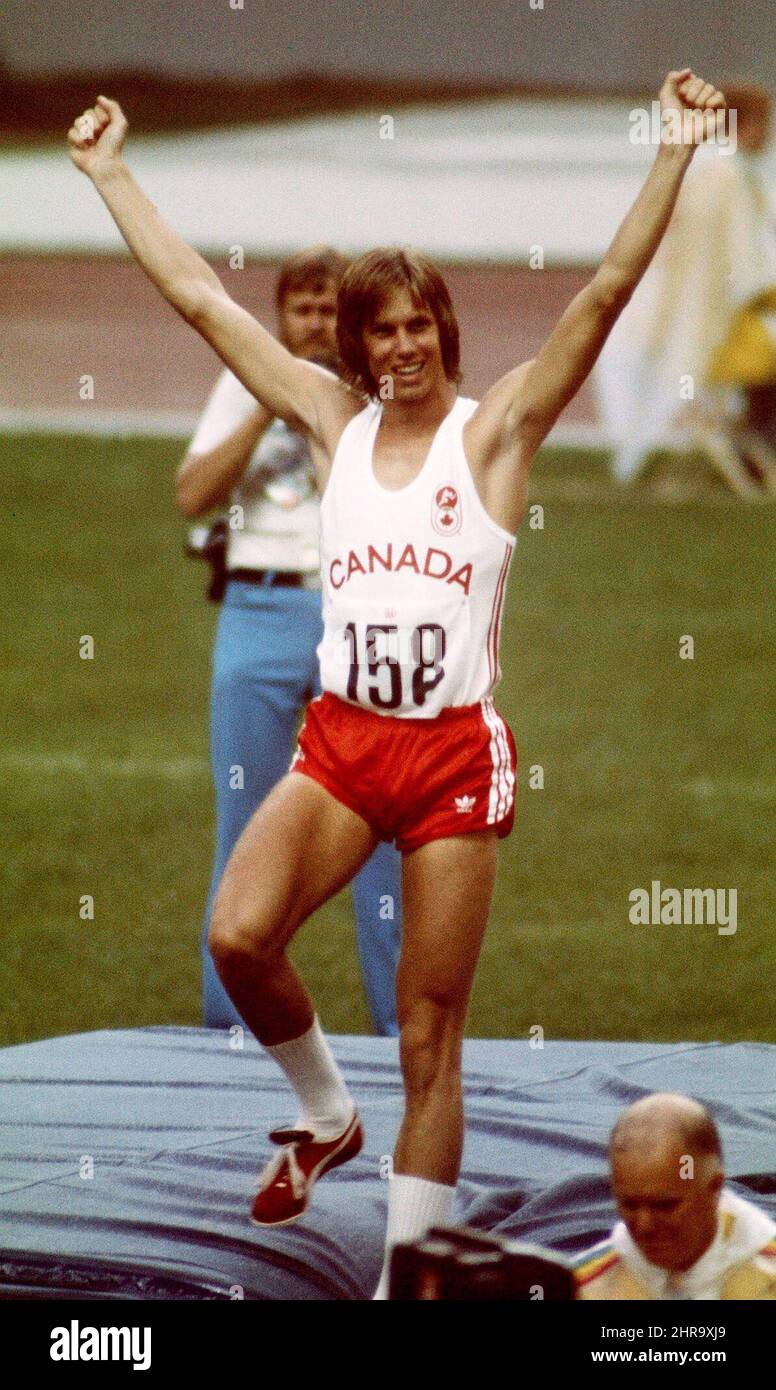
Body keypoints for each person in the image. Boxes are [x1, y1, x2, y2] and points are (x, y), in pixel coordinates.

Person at [68, 68, 728, 1299]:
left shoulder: (498, 433)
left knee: (430, 1038)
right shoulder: (331, 423)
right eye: (383, 328)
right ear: (359, 345)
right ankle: (324, 1116)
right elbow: (202, 302)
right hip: (338, 743)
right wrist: (110, 173)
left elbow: (601, 291)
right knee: (239, 932)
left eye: (421, 324)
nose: (404, 343)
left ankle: (405, 1276)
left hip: (446, 760)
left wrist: (673, 150)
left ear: (444, 333)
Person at [177, 247, 403, 1036]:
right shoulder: (241, 381)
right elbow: (191, 495)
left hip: (353, 614)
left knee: (380, 828)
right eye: (299, 310)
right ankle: (227, 1031)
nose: (312, 324)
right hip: (259, 605)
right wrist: (263, 408)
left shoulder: (369, 395)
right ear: (278, 317)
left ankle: (397, 1028)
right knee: (245, 818)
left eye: (325, 310)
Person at [596, 81, 776, 495]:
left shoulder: (719, 171)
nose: (769, 134)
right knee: (666, 389)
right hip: (689, 305)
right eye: (764, 123)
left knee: (667, 390)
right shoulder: (723, 175)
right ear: (743, 125)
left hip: (681, 303)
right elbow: (736, 260)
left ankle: (666, 463)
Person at [575, 1094, 776, 1299]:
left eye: (665, 1206)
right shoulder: (581, 1289)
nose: (645, 1225)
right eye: (630, 1204)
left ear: (714, 1189)